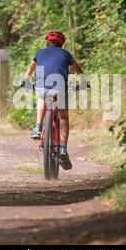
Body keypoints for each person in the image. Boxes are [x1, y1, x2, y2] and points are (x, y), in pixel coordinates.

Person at [24, 30, 86, 170]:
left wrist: (26, 80)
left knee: (42, 96)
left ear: (47, 42)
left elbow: (29, 70)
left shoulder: (40, 53)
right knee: (63, 118)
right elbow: (78, 70)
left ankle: (38, 127)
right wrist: (83, 82)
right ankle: (63, 149)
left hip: (43, 87)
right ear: (61, 44)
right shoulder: (66, 54)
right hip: (59, 88)